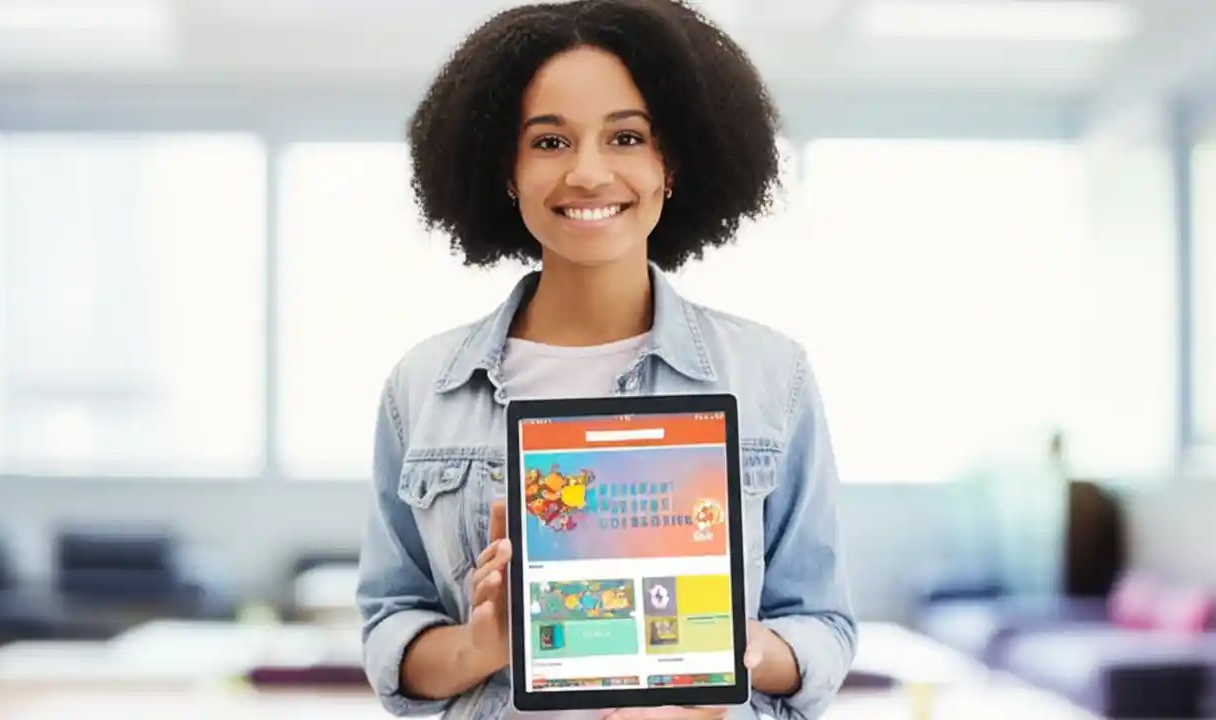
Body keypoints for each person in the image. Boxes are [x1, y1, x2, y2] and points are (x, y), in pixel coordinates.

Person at [356, 1, 856, 718]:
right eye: (550, 143)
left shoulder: (774, 377)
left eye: (626, 137)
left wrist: (721, 660)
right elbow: (389, 630)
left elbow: (824, 628)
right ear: (506, 169)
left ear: (672, 164)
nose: (589, 173)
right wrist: (483, 644)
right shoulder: (422, 388)